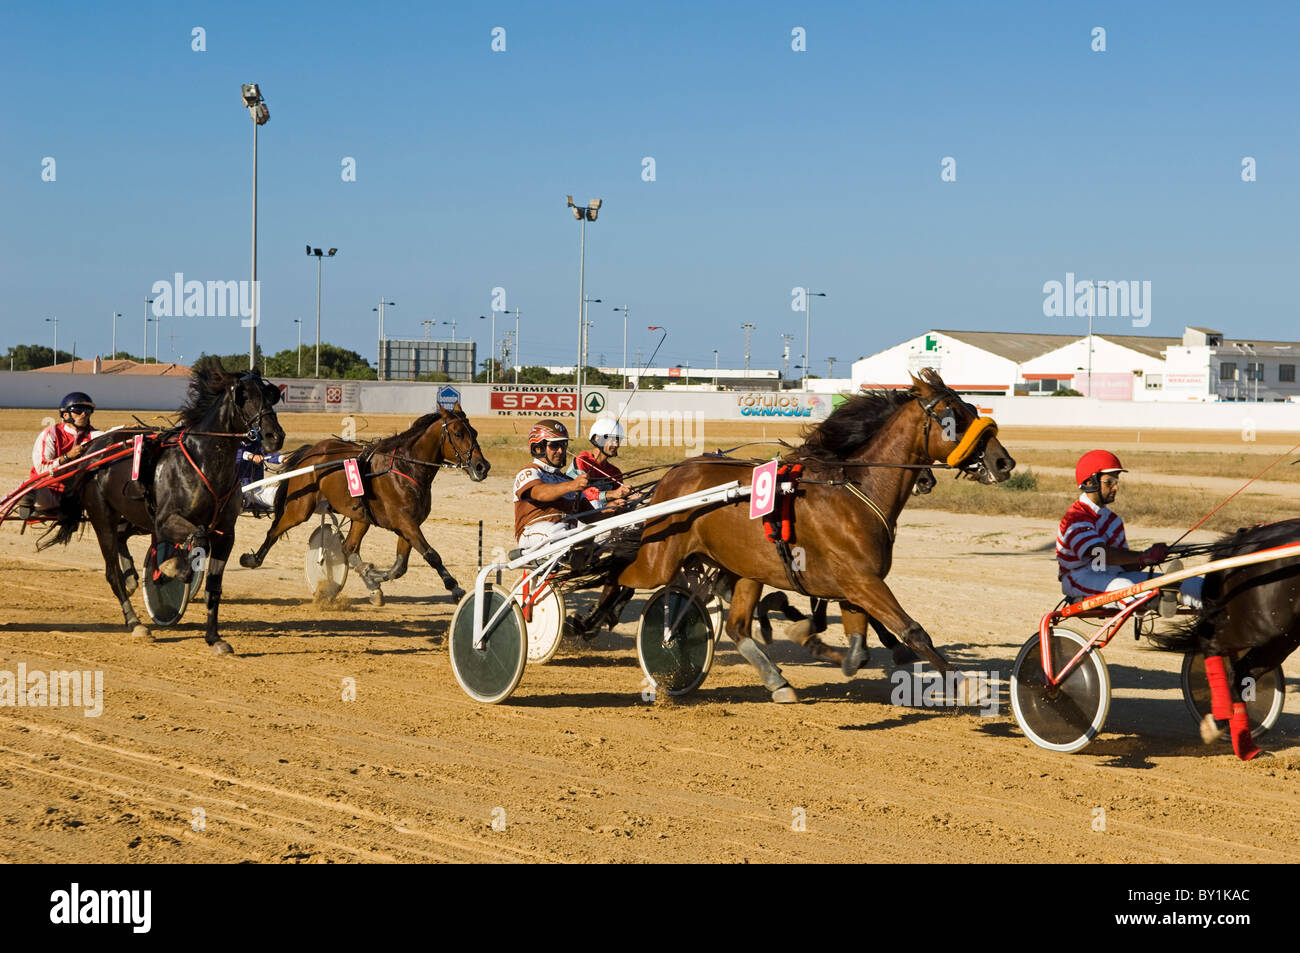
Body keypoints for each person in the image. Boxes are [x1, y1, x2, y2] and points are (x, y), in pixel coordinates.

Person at [1057, 449, 1201, 611]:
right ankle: (1161, 599)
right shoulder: (1076, 517)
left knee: (1191, 582)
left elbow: (1127, 566)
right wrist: (1142, 556)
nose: (1116, 487)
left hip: (1114, 574)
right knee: (1124, 587)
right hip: (1079, 578)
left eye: (1117, 481)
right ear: (1090, 482)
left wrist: (1150, 558)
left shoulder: (1113, 521)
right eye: (1109, 482)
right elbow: (1100, 554)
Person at [19, 392, 100, 519]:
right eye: (79, 410)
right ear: (66, 415)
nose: (84, 414)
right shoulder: (51, 434)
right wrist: (67, 457)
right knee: (33, 489)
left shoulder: (92, 434)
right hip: (48, 491)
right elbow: (42, 469)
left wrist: (126, 430)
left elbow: (110, 434)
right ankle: (27, 494)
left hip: (75, 493)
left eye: (88, 410)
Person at [513, 419, 590, 549]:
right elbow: (541, 493)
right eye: (554, 446)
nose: (560, 450)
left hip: (565, 534)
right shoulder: (529, 472)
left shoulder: (567, 480)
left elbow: (592, 515)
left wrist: (617, 507)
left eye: (563, 445)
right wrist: (572, 486)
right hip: (532, 533)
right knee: (557, 531)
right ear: (538, 448)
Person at [568, 417, 641, 510]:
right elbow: (580, 493)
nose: (616, 444)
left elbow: (619, 496)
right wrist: (613, 494)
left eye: (618, 440)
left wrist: (630, 499)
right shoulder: (583, 460)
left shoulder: (615, 471)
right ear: (597, 438)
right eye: (612, 439)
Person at [237, 431, 286, 515]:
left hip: (257, 491)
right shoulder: (230, 444)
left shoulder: (255, 442)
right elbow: (234, 454)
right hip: (237, 491)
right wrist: (249, 456)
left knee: (281, 494)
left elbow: (267, 454)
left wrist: (283, 459)